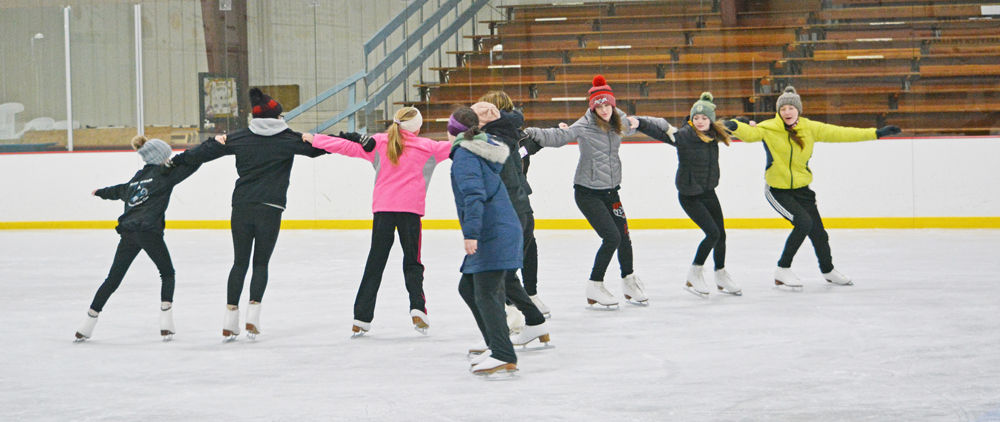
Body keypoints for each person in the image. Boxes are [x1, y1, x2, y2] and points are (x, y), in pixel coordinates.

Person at [168, 87, 328, 340]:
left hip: (242, 206)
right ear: (277, 117)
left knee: (239, 263)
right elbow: (320, 149)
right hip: (271, 208)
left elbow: (202, 154)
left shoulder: (240, 138)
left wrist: (180, 158)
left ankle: (230, 319)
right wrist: (321, 139)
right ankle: (253, 316)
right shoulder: (288, 138)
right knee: (260, 263)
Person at [724, 86, 901, 288]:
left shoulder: (810, 128)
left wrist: (876, 133)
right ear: (778, 111)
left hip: (802, 190)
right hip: (778, 191)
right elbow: (749, 133)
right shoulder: (769, 128)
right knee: (803, 222)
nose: (787, 112)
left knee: (819, 233)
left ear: (798, 110)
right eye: (783, 109)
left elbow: (841, 133)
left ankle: (828, 270)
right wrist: (734, 125)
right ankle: (783, 269)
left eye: (791, 108)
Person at [302, 107, 451, 336]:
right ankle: (418, 308)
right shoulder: (429, 148)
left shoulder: (379, 142)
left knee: (375, 262)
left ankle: (361, 317)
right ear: (418, 128)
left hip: (383, 210)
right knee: (413, 262)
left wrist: (316, 139)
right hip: (410, 212)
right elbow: (460, 146)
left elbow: (346, 147)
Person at [522, 75, 647, 308]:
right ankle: (595, 286)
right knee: (612, 237)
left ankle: (629, 282)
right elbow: (559, 137)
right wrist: (531, 132)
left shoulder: (618, 121)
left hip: (611, 191)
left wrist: (655, 125)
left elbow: (634, 125)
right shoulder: (584, 125)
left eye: (607, 104)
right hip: (588, 193)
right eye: (599, 106)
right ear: (593, 108)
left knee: (624, 237)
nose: (604, 109)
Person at [75, 136, 200, 342]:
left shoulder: (137, 178)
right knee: (167, 273)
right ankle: (166, 324)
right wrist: (211, 149)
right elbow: (193, 163)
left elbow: (119, 190)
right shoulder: (165, 174)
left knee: (112, 279)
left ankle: (86, 325)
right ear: (161, 156)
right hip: (148, 231)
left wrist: (100, 192)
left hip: (128, 232)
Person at [636, 92, 742, 297]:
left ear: (710, 120)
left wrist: (747, 122)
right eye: (696, 118)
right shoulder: (685, 136)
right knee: (712, 234)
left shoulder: (714, 133)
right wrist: (640, 123)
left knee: (721, 235)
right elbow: (659, 132)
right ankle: (694, 275)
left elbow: (733, 124)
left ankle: (721, 275)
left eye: (704, 118)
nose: (700, 121)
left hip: (708, 191)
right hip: (690, 195)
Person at [449, 107, 523, 376]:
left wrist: (471, 234)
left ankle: (503, 353)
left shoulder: (464, 154)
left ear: (453, 131)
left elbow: (474, 195)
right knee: (469, 287)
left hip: (492, 232)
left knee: (486, 291)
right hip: (499, 228)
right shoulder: (478, 149)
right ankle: (496, 345)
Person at [472, 100, 550, 349]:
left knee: (494, 277)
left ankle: (503, 334)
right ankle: (530, 321)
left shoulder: (492, 142)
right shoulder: (509, 135)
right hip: (522, 211)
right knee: (502, 275)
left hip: (509, 216)